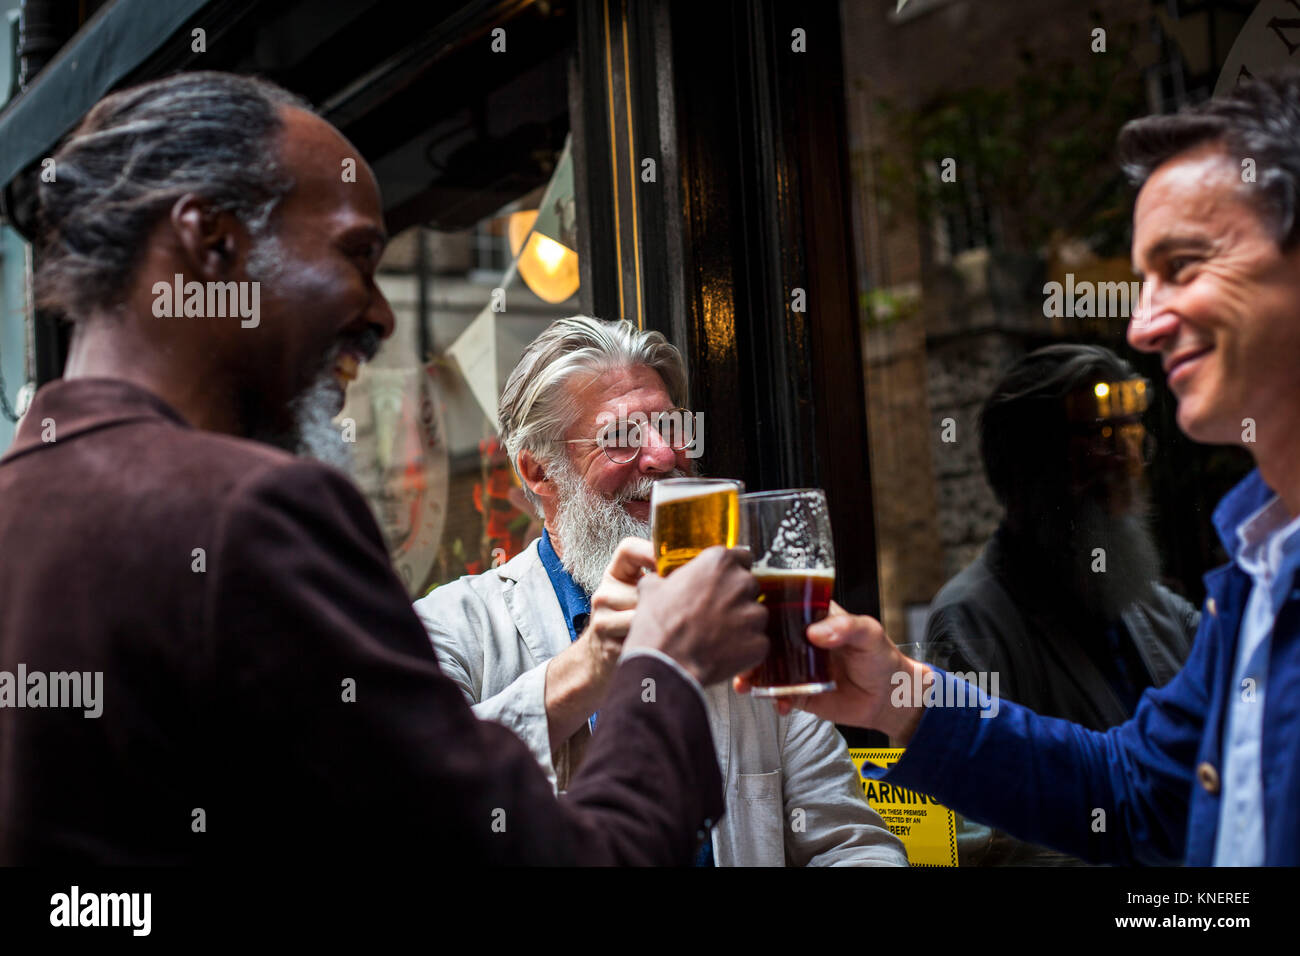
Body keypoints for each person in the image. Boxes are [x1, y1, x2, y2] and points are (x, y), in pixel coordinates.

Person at [0, 71, 770, 865]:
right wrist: (665, 661)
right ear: (211, 241)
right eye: (356, 255)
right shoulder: (254, 514)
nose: (381, 313)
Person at [742, 71, 1300, 866]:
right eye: (1143, 279)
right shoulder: (1255, 574)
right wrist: (897, 691)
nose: (1142, 324)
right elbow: (1133, 789)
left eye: (1184, 265)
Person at [415, 316, 907, 867]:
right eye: (622, 437)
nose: (665, 457)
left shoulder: (752, 626)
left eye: (674, 428)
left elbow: (852, 846)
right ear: (539, 471)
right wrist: (593, 663)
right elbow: (404, 797)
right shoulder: (452, 627)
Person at [925, 344, 1198, 865]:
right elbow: (989, 840)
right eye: (1099, 438)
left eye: (1131, 433)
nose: (1126, 460)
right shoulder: (970, 622)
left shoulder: (1159, 610)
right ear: (1031, 467)